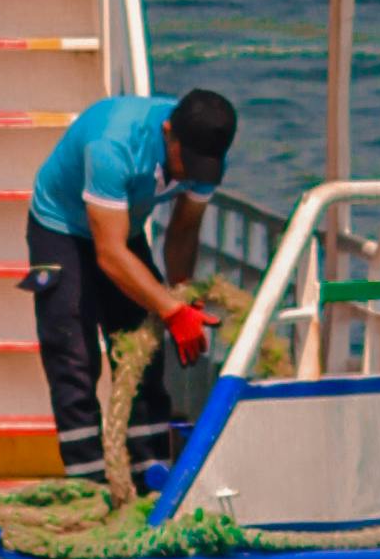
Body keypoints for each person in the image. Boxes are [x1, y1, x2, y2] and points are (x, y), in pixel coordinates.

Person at [23, 83, 239, 483]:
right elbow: (109, 254)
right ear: (169, 132)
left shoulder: (207, 158)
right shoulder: (114, 144)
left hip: (123, 227)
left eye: (203, 167)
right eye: (187, 160)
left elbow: (183, 232)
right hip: (61, 227)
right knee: (73, 355)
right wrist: (170, 309)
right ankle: (87, 482)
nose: (192, 173)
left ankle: (150, 472)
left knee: (143, 345)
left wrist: (182, 297)